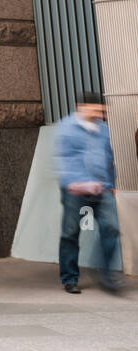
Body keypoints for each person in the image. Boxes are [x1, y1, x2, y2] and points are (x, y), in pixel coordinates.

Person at [53, 90, 121, 294]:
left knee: (111, 228)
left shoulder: (103, 129)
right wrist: (80, 182)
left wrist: (112, 183)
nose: (101, 114)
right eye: (97, 110)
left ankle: (105, 274)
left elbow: (108, 158)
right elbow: (64, 160)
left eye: (102, 111)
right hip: (75, 190)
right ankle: (69, 278)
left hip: (102, 188)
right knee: (71, 233)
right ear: (81, 107)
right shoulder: (66, 129)